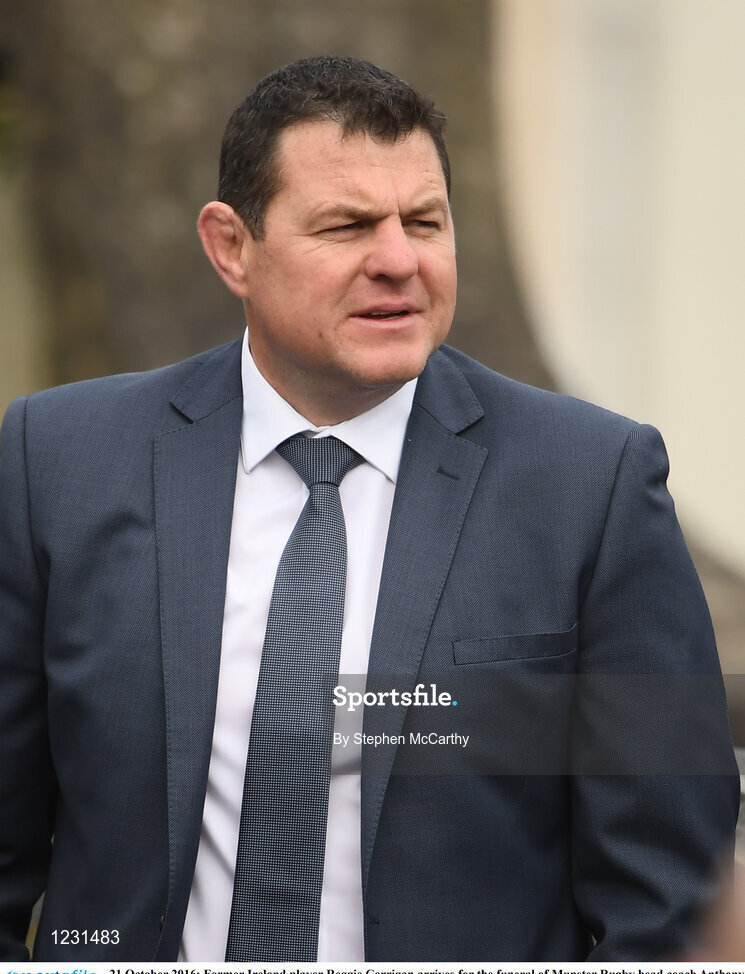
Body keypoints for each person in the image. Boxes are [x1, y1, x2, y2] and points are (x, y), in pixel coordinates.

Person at [0, 55, 738, 963]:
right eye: (347, 225)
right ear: (232, 246)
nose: (397, 260)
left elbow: (673, 897)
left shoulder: (590, 484)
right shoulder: (61, 459)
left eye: (423, 222)